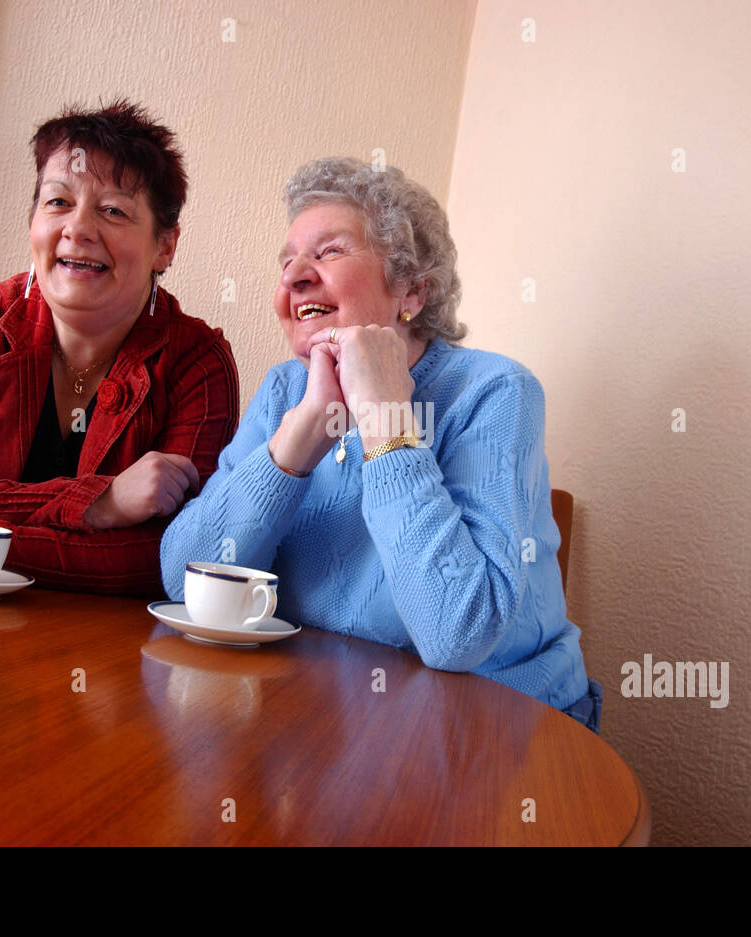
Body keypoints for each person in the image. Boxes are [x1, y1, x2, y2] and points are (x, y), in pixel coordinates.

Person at [159, 157, 602, 731]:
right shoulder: (285, 393)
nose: (295, 276)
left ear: (411, 290)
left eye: (329, 252)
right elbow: (184, 581)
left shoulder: (495, 392)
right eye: (288, 260)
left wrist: (386, 417)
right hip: (325, 715)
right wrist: (297, 440)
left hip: (498, 726)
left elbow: (455, 636)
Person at [0, 102, 238, 594]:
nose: (78, 229)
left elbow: (179, 558)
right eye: (58, 203)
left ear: (165, 246)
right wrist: (102, 504)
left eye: (113, 210)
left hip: (111, 655)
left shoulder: (197, 363)